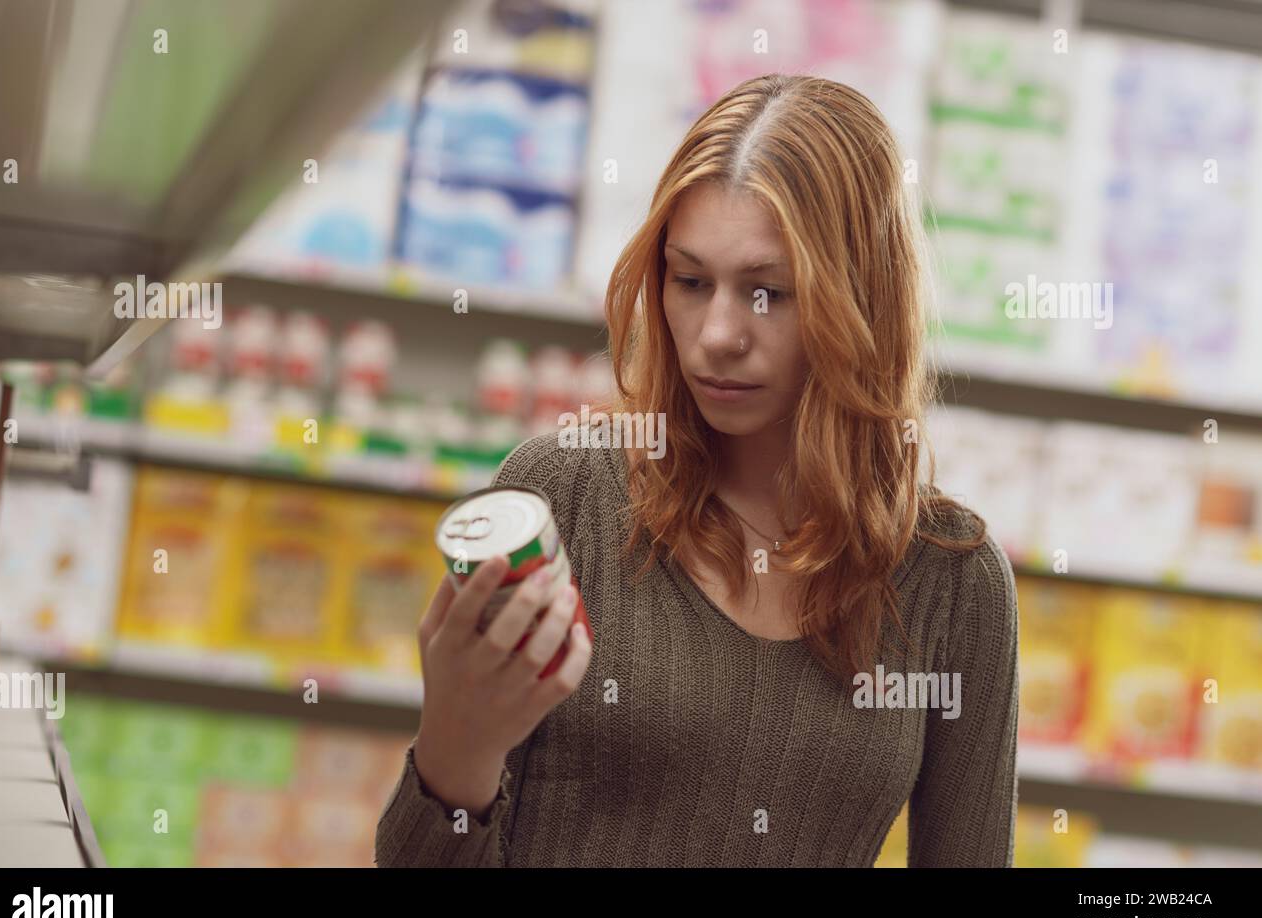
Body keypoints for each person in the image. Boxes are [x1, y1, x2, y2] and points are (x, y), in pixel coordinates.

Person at [376, 73, 1020, 867]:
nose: (717, 333)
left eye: (767, 292)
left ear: (864, 301)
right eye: (690, 280)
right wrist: (454, 753)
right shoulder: (560, 498)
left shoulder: (953, 582)